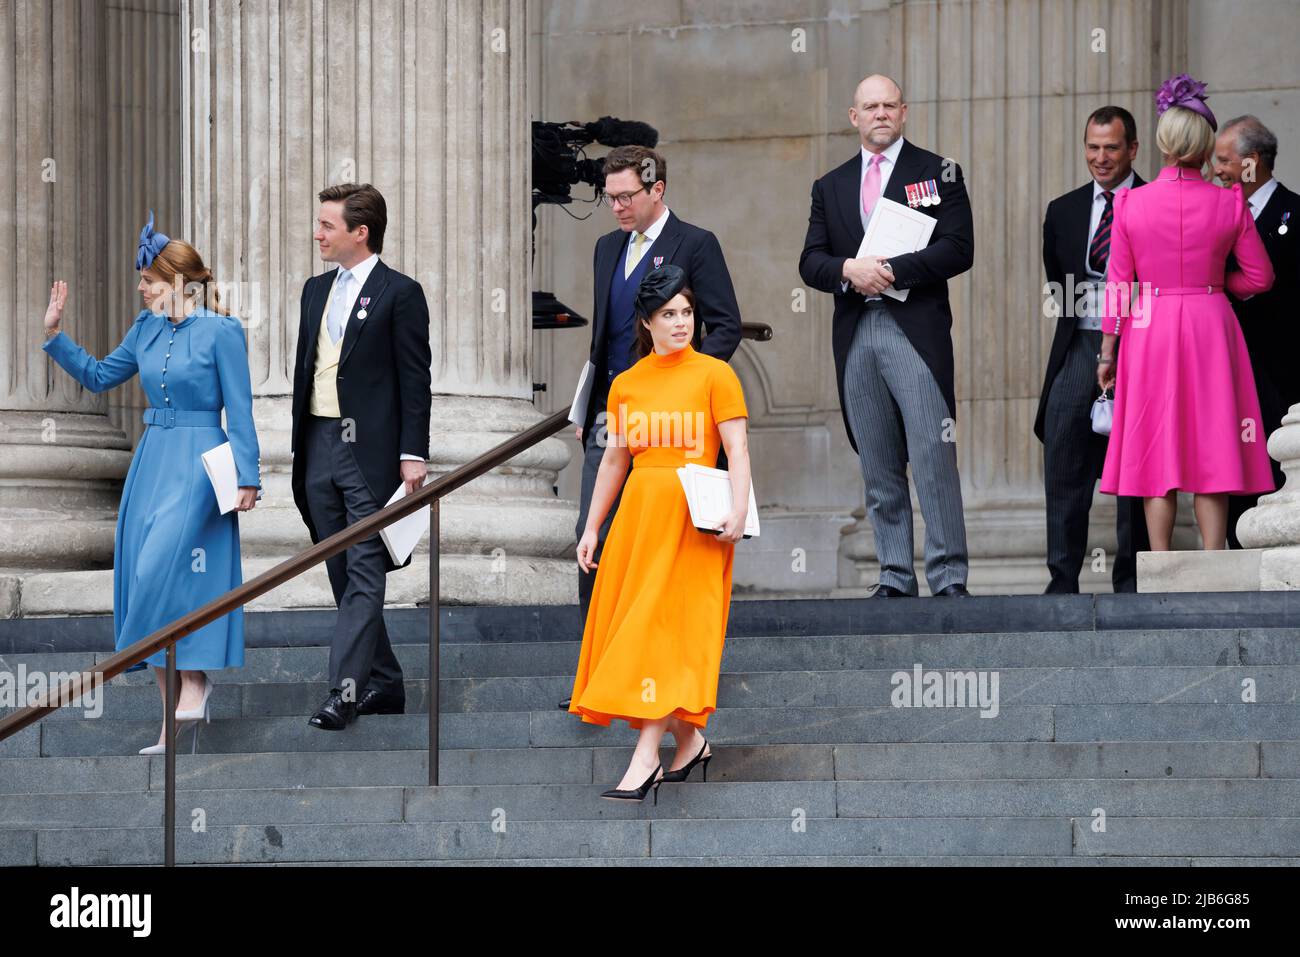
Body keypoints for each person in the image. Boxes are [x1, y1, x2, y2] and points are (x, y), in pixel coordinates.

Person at [41, 213, 260, 754]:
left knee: (165, 568)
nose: (140, 289)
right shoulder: (145, 329)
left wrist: (249, 477)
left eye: (148, 281)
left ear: (178, 283)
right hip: (152, 461)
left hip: (200, 463)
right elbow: (97, 376)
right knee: (141, 580)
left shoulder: (222, 332)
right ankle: (169, 724)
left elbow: (242, 410)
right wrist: (54, 335)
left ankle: (197, 678)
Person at [559, 145, 742, 711]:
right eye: (608, 197)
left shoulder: (696, 243)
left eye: (626, 196)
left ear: (656, 189)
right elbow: (610, 335)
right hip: (614, 418)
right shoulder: (606, 247)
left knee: (669, 566)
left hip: (676, 428)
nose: (616, 207)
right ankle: (603, 673)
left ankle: (666, 683)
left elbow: (726, 324)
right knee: (600, 548)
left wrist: (682, 386)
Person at [570, 264, 750, 802]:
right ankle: (689, 740)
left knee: (664, 630)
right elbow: (614, 462)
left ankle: (646, 755)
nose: (681, 323)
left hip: (696, 520)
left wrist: (738, 510)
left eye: (687, 313)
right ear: (646, 323)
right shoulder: (625, 384)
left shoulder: (716, 374)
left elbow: (737, 449)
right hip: (640, 521)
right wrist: (592, 526)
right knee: (646, 627)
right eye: (669, 314)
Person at [798, 73, 972, 599]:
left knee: (932, 455)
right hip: (857, 332)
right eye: (869, 106)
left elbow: (958, 248)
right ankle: (895, 575)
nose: (880, 114)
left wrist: (893, 269)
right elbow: (811, 261)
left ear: (904, 111)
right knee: (877, 460)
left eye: (889, 105)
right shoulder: (829, 185)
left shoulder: (938, 172)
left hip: (913, 329)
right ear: (854, 116)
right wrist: (849, 269)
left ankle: (948, 578)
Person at [1098, 76, 1276, 551]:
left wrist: (1106, 351)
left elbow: (1118, 286)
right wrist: (1216, 288)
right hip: (1211, 326)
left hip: (1149, 325)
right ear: (1203, 146)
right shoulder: (1230, 202)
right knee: (1214, 445)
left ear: (1163, 144)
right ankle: (1213, 562)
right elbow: (1260, 278)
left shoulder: (1129, 202)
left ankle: (1160, 564)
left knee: (1157, 447)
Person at [290, 183, 432, 730]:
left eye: (327, 225)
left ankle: (343, 692)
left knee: (367, 569)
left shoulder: (401, 292)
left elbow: (413, 379)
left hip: (371, 452)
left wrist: (412, 453)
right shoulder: (313, 290)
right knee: (342, 571)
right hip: (319, 446)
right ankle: (387, 684)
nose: (317, 234)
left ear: (360, 232)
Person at [1037, 106, 1150, 593]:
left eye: (1111, 147)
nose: (1100, 158)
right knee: (1063, 459)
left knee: (1136, 469)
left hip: (1140, 345)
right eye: (1092, 147)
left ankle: (1132, 582)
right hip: (1078, 345)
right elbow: (1057, 282)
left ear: (1133, 149)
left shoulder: (1154, 200)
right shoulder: (1062, 210)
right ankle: (1062, 581)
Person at [1213, 115, 1298, 546]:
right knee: (1234, 467)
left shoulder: (1296, 213)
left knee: (1278, 469)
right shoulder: (1217, 214)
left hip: (1282, 375)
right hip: (1226, 364)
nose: (1217, 169)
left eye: (1224, 160)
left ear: (1252, 161)